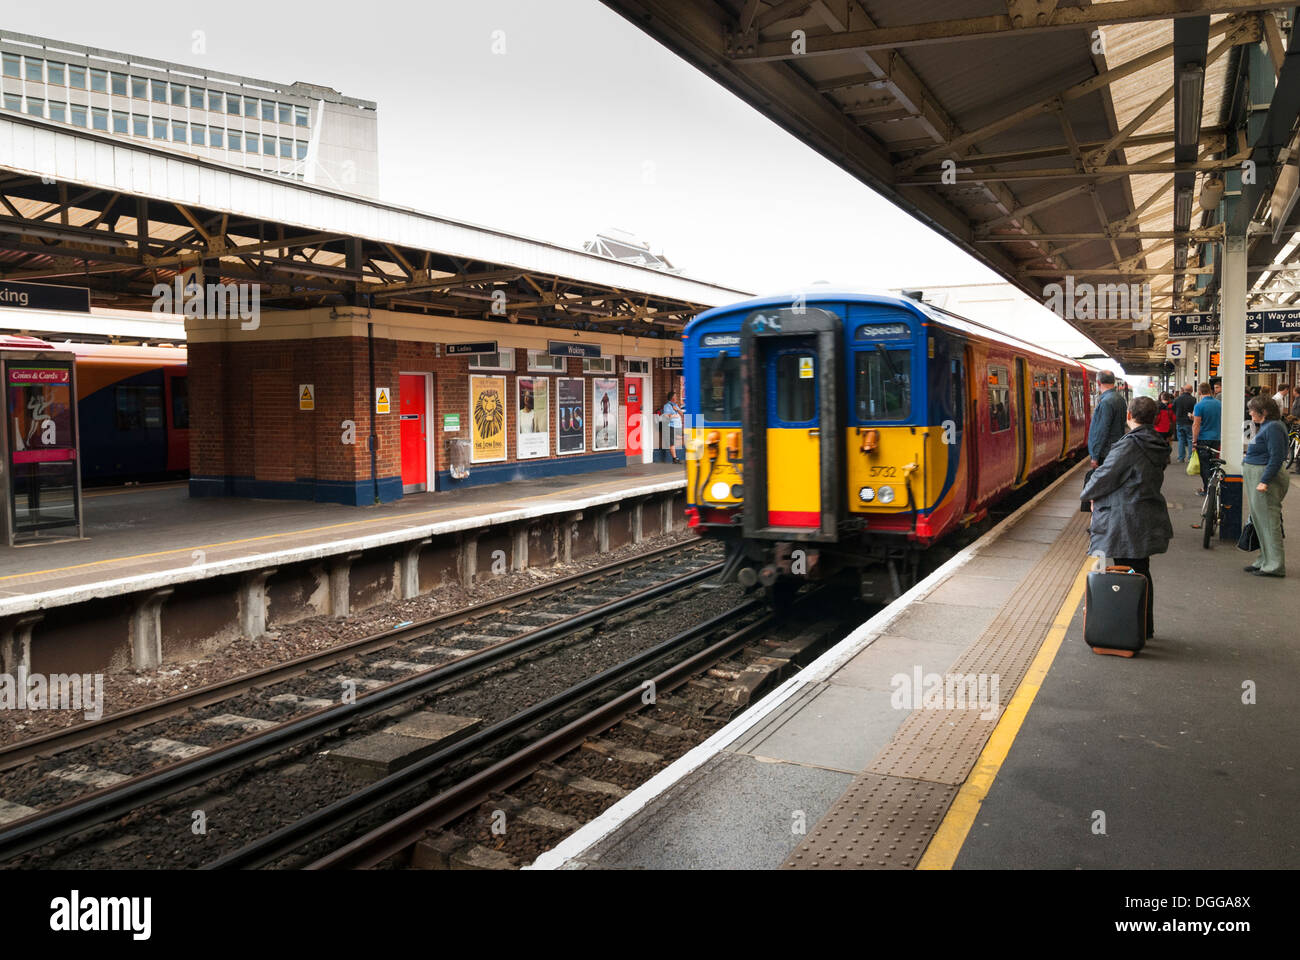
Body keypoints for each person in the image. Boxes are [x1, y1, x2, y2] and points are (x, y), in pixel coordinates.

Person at [1080, 396, 1173, 640]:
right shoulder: (1156, 441)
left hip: (1126, 517)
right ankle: (1143, 626)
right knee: (1141, 570)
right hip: (1146, 512)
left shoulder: (1129, 445)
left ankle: (1129, 629)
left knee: (1127, 570)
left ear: (1129, 415)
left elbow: (1106, 475)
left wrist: (1087, 493)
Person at [1242, 396, 1289, 577]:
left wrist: (1264, 481)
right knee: (1260, 522)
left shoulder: (1274, 427)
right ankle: (1265, 560)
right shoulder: (1269, 426)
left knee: (1269, 522)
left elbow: (1276, 457)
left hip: (1264, 477)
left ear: (1265, 411)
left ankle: (1275, 565)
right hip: (1259, 475)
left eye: (1253, 410)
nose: (1250, 413)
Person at [1088, 370, 1127, 467]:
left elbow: (1101, 430)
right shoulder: (1120, 399)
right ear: (1113, 382)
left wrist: (1095, 456)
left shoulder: (1106, 402)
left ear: (1098, 383)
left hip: (1105, 453)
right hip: (1115, 450)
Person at [1191, 381, 1221, 496]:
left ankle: (1207, 489)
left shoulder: (1199, 406)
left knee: (1204, 465)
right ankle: (1215, 487)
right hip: (1217, 438)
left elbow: (1196, 425)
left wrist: (1194, 441)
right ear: (1211, 391)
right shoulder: (1219, 404)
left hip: (1204, 439)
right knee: (1215, 464)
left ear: (1199, 392)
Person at [1172, 383, 1197, 463]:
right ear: (1191, 390)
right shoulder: (1193, 399)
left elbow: (1173, 409)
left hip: (1179, 422)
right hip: (1189, 422)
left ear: (1183, 390)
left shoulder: (1177, 399)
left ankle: (1181, 457)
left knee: (1181, 440)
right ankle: (1190, 458)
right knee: (1190, 439)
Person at [661, 390, 683, 463]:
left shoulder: (675, 405)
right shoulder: (667, 406)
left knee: (678, 440)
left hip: (678, 426)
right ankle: (675, 458)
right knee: (672, 442)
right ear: (672, 398)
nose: (676, 398)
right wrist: (673, 415)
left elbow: (682, 414)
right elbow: (666, 415)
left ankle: (675, 457)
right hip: (671, 426)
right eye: (675, 397)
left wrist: (677, 409)